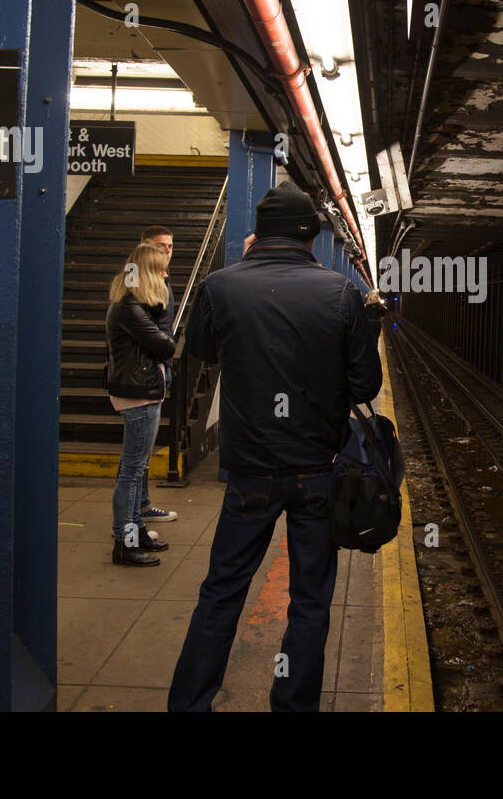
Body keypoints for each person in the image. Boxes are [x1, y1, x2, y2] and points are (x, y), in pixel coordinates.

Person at [168, 182, 382, 712]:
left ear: (256, 234)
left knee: (222, 592)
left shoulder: (219, 286)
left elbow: (200, 351)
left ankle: (190, 704)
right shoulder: (341, 293)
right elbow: (365, 388)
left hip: (249, 469)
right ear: (312, 237)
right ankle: (293, 704)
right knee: (310, 600)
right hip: (317, 469)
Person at [105, 243, 176, 567]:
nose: (165, 273)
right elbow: (165, 345)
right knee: (132, 471)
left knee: (135, 468)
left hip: (141, 391)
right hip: (138, 394)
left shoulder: (133, 305)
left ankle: (137, 530)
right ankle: (125, 540)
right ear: (148, 272)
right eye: (160, 268)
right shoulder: (130, 308)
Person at [138, 225, 179, 525]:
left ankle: (142, 504)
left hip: (157, 370)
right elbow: (152, 332)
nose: (166, 251)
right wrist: (166, 353)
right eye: (160, 246)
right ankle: (132, 522)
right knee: (136, 459)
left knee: (142, 454)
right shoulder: (138, 285)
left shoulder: (161, 281)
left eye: (169, 246)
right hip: (147, 373)